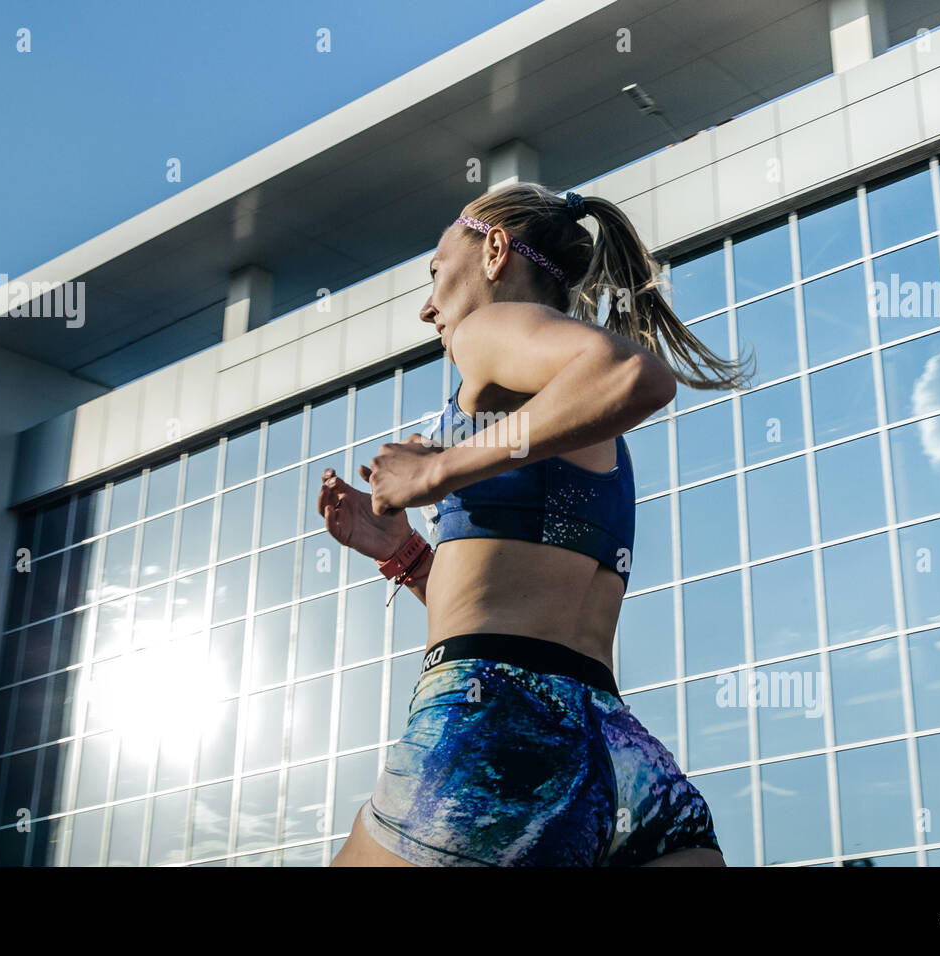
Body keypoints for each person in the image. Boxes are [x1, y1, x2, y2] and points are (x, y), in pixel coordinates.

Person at [319, 182, 751, 866]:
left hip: (497, 731)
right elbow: (520, 604)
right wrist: (407, 556)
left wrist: (436, 471)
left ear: (493, 251)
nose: (428, 306)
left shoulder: (486, 334)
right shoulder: (560, 416)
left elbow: (639, 377)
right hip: (622, 760)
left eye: (434, 272)